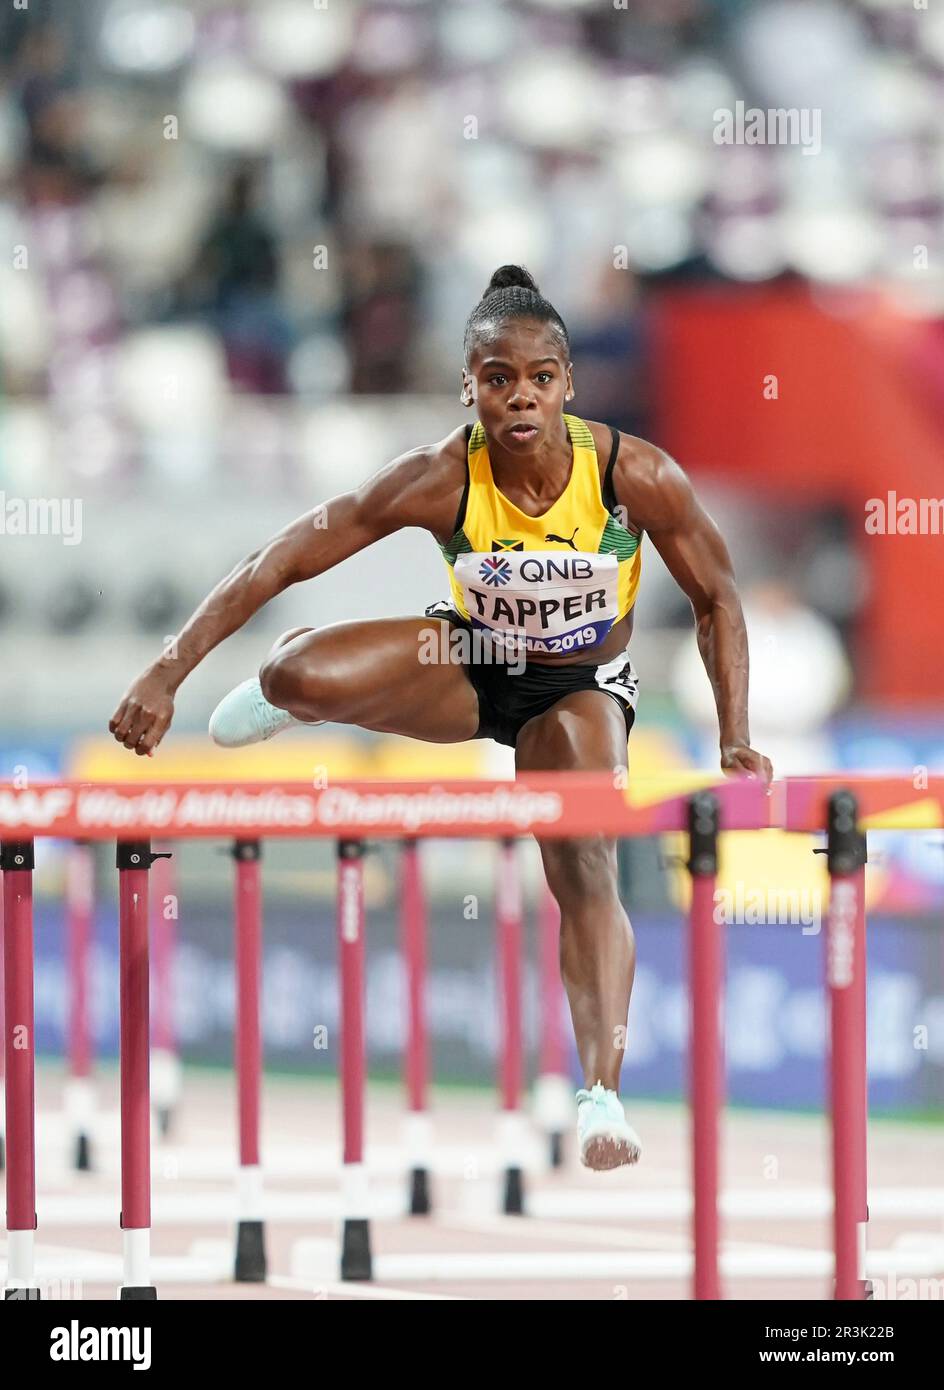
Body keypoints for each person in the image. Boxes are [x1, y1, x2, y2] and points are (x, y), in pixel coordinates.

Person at [109, 264, 772, 1170]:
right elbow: (280, 557)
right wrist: (167, 668)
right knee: (295, 670)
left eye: (541, 377)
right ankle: (286, 693)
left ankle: (600, 1094)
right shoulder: (438, 476)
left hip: (576, 690)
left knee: (580, 854)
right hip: (472, 662)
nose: (521, 398)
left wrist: (736, 734)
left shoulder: (632, 474)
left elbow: (719, 599)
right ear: (470, 387)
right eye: (498, 379)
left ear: (568, 383)